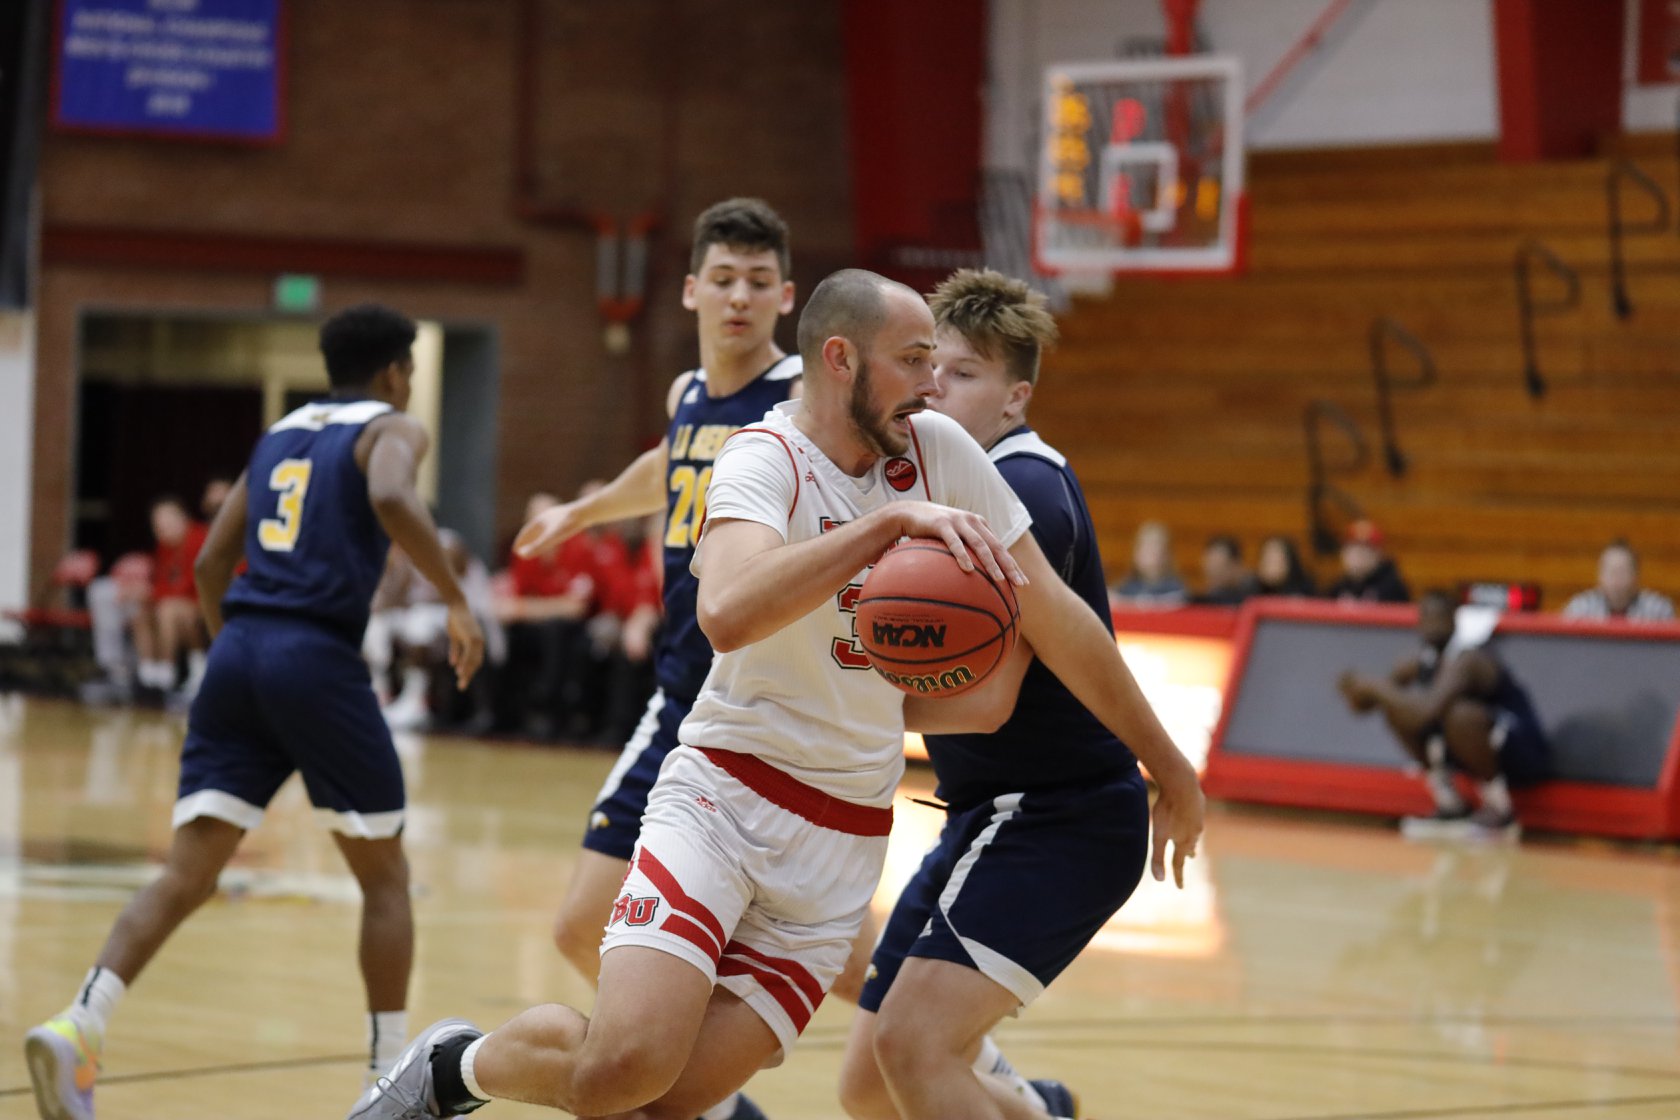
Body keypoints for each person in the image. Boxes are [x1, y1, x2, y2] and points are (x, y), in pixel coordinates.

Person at [348, 269, 1203, 1120]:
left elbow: (1059, 619)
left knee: (666, 1103)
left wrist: (1168, 767)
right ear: (841, 359)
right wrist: (884, 526)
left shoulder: (940, 451)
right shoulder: (765, 457)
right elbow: (725, 611)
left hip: (840, 847)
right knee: (623, 1068)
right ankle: (454, 1069)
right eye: (912, 360)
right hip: (724, 803)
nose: (931, 382)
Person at [23, 303, 486, 1120]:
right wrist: (454, 597)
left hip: (237, 654)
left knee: (186, 872)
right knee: (385, 878)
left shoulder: (279, 435)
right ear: (393, 373)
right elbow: (389, 493)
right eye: (409, 373)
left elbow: (211, 562)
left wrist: (240, 657)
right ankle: (389, 1079)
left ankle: (80, 1023)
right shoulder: (390, 427)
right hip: (316, 656)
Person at [834, 269, 1166, 1120]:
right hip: (986, 815)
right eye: (929, 367)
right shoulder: (942, 483)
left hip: (1060, 817)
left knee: (915, 1048)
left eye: (966, 373)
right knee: (868, 1085)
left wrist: (827, 706)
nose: (937, 387)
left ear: (1016, 398)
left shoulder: (1028, 494)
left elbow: (985, 704)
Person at [512, 197, 810, 1120]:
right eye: (723, 278)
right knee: (582, 925)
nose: (739, 296)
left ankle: (981, 1063)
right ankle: (714, 1102)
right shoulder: (688, 394)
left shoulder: (804, 396)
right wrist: (585, 510)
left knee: (837, 954)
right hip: (682, 694)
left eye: (758, 281)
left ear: (786, 296)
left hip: (767, 699)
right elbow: (671, 460)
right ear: (689, 290)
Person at [1336, 589, 1548, 840]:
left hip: (1522, 752)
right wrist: (1354, 689)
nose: (1430, 624)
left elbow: (1425, 712)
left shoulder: (1469, 659)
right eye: (1425, 616)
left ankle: (1500, 809)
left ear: (1454, 620)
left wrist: (1374, 687)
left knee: (1459, 715)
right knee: (1397, 710)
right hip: (1472, 752)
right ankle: (1451, 804)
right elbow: (1363, 707)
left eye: (1438, 616)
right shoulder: (1423, 660)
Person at [130, 495, 209, 701]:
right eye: (157, 525)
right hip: (176, 604)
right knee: (140, 614)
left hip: (203, 606)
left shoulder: (200, 538)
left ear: (183, 518)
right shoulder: (165, 547)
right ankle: (148, 676)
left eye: (166, 522)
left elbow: (188, 586)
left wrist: (152, 593)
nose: (161, 529)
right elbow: (162, 583)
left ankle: (167, 674)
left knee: (167, 609)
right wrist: (145, 593)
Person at [1561, 539, 1675, 622]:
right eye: (1611, 571)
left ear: (1636, 575)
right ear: (1599, 576)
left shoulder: (1659, 611)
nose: (1616, 579)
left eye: (1622, 571)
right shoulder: (1579, 609)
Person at [1326, 519, 1410, 603]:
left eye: (1365, 548)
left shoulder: (1392, 588)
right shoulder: (1338, 588)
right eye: (1352, 546)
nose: (1357, 555)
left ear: (1379, 553)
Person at [1108, 519, 1186, 608]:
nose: (1154, 555)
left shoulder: (1178, 590)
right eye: (1148, 549)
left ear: (1168, 555)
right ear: (1136, 553)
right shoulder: (1124, 588)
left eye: (1158, 549)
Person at [1195, 534, 1257, 606]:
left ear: (1235, 565)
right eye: (1209, 567)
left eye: (1218, 568)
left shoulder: (1254, 596)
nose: (1212, 573)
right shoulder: (1208, 598)